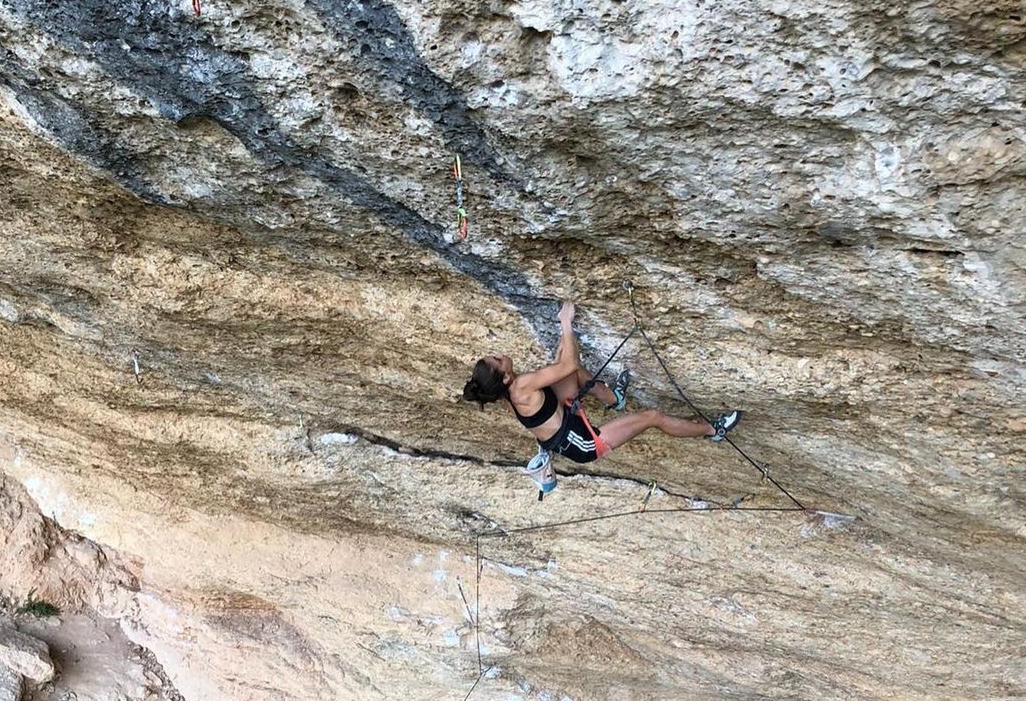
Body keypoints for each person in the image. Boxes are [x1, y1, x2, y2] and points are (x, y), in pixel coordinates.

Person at [462, 301, 741, 463]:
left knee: (570, 371)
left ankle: (614, 399)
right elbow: (569, 364)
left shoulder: (504, 392)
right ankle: (712, 430)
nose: (501, 355)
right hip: (582, 444)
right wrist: (566, 323)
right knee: (652, 417)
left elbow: (562, 369)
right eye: (498, 360)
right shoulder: (522, 385)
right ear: (506, 376)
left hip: (565, 420)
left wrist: (564, 344)